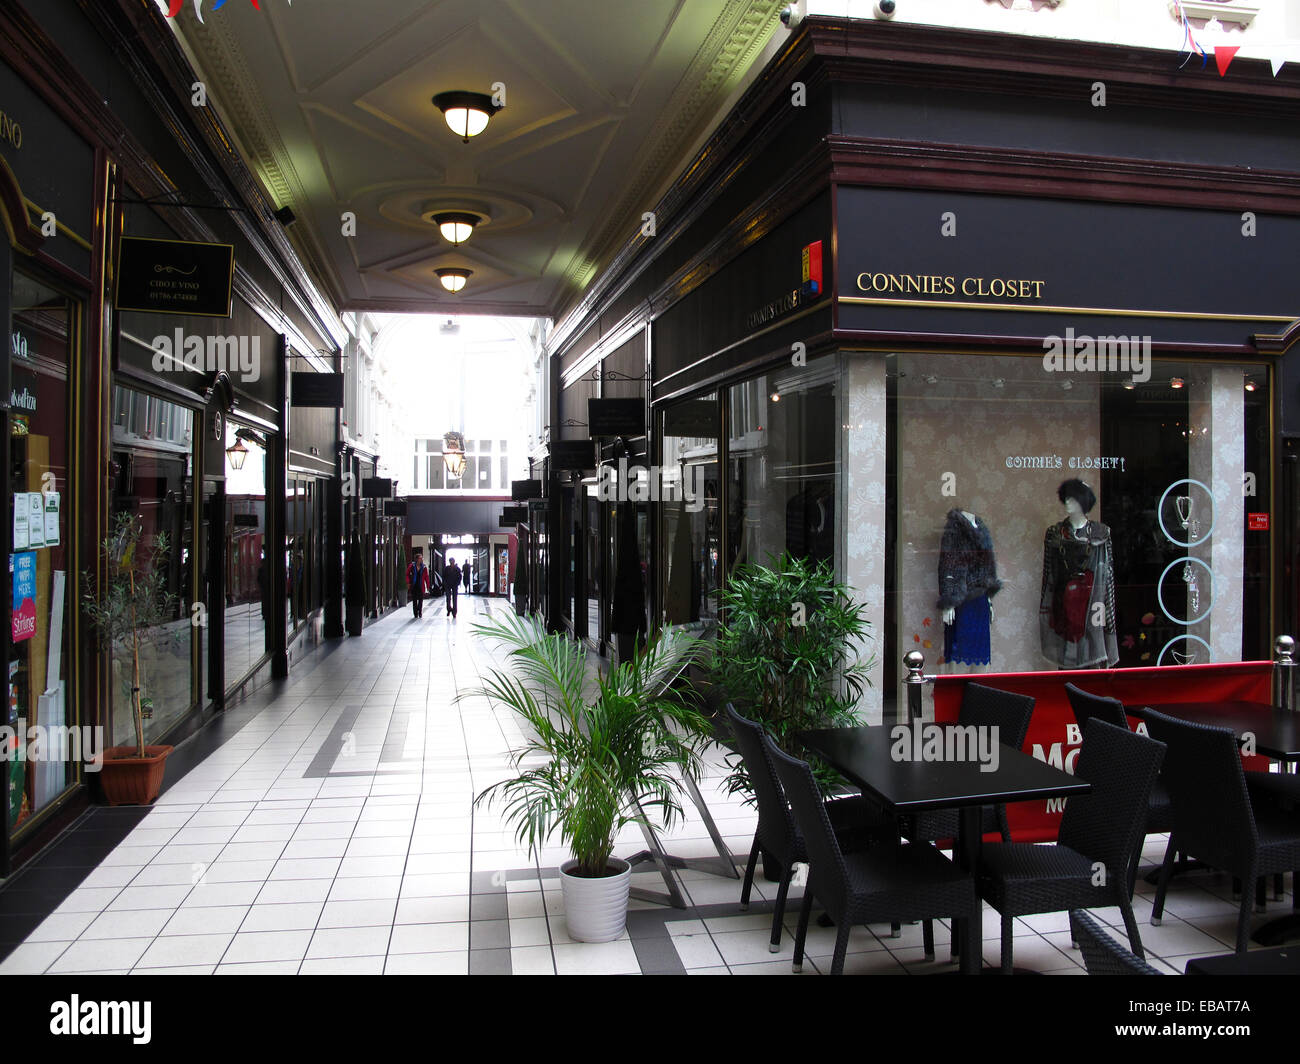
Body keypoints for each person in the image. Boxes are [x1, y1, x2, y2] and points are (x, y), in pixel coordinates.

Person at [407, 551, 430, 618]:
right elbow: (407, 574)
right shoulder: (411, 566)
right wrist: (408, 582)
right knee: (414, 600)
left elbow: (426, 577)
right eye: (420, 558)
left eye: (422, 558)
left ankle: (420, 611)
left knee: (420, 600)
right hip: (414, 585)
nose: (421, 559)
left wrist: (428, 586)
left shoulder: (424, 567)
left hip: (420, 585)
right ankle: (415, 613)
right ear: (417, 559)